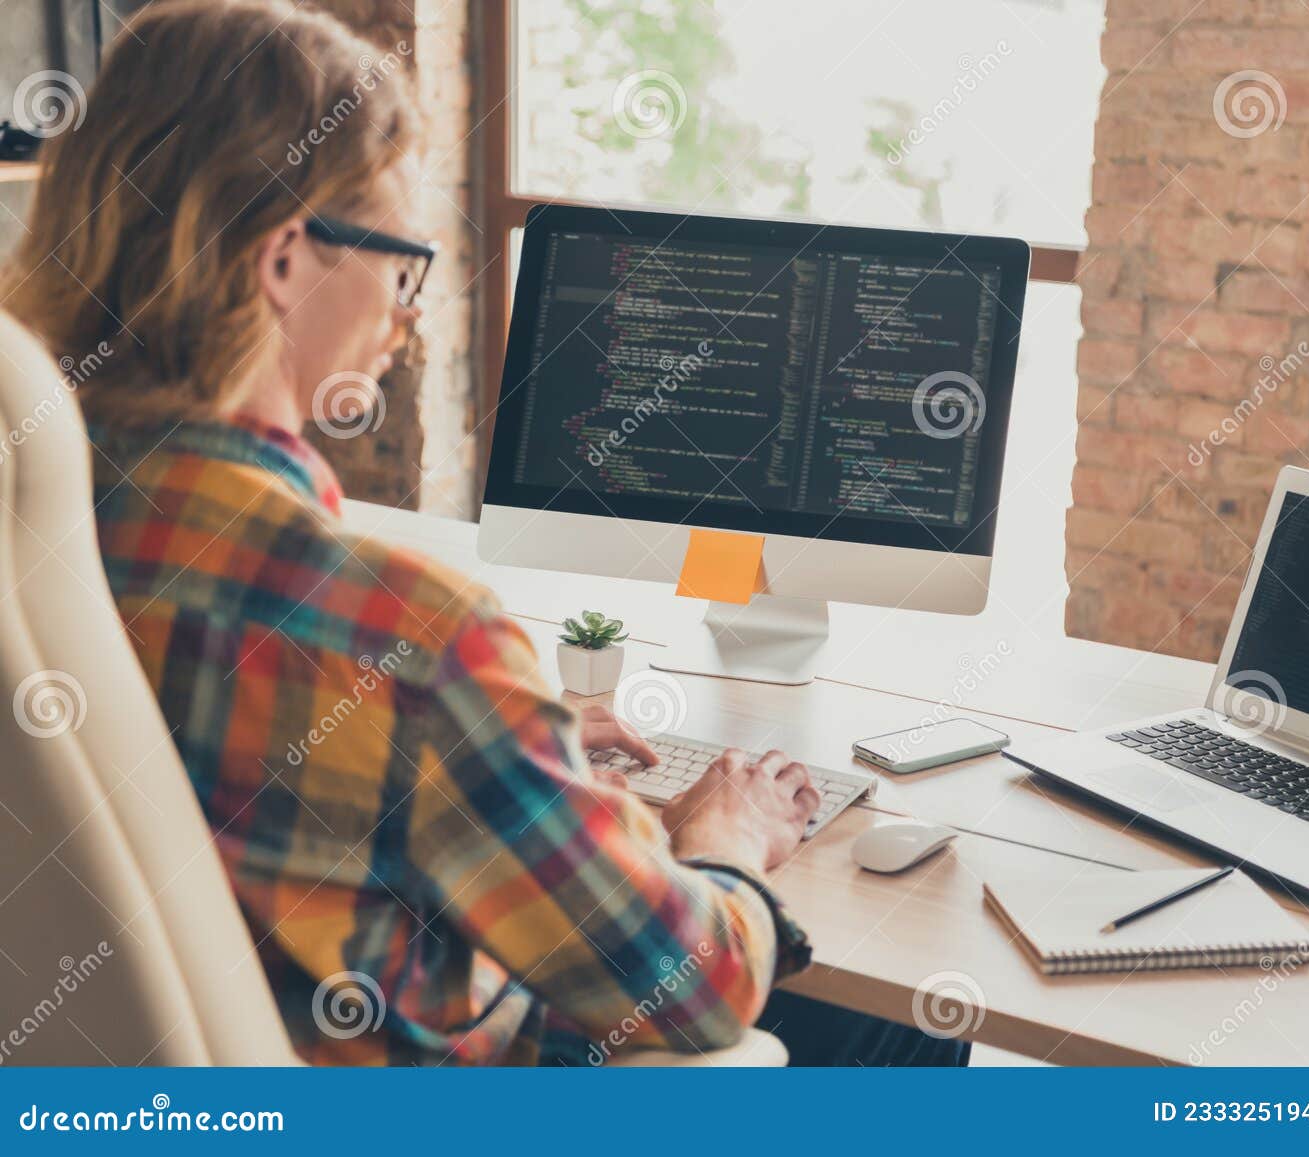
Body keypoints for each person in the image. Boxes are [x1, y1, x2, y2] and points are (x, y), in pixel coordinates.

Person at [2, 0, 966, 1067]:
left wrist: (503, 739)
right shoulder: (405, 630)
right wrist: (723, 839)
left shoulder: (37, 533)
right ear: (284, 261)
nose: (408, 311)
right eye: (398, 261)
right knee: (887, 1012)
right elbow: (696, 989)